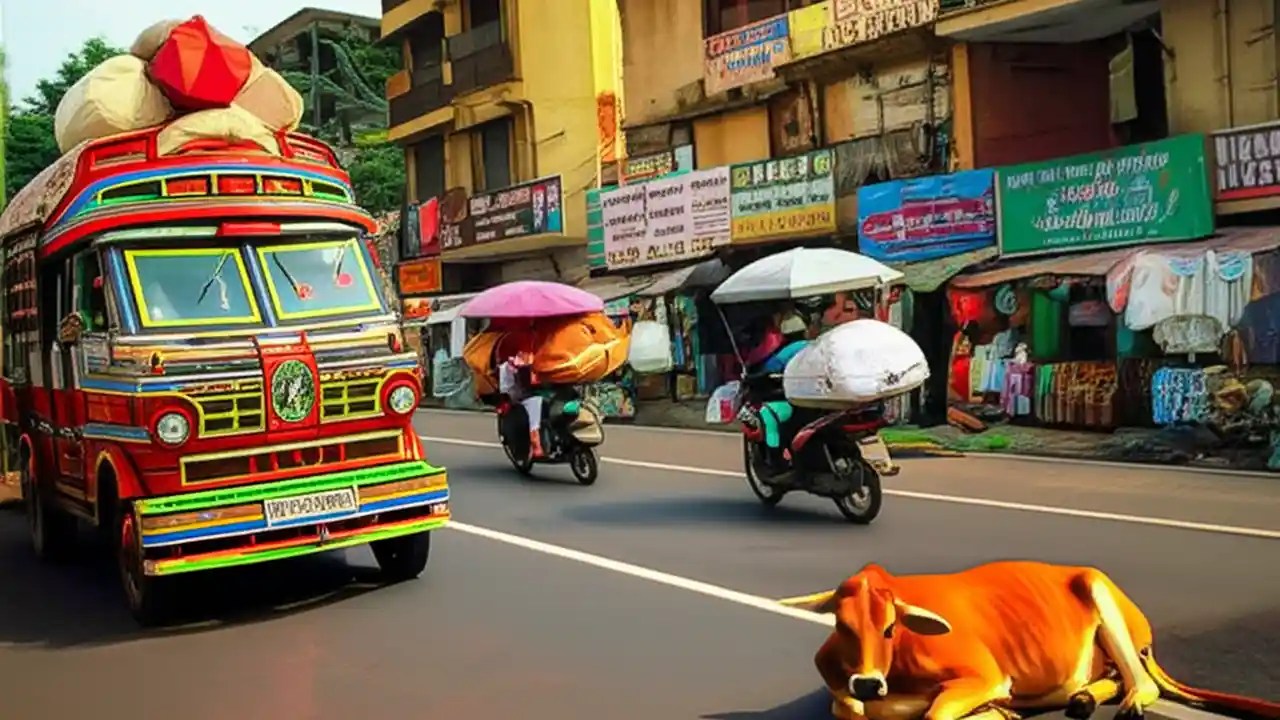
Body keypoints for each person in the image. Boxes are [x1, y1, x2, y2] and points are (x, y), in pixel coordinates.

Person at [499, 351, 545, 459]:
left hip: (542, 390)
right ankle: (535, 442)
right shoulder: (508, 365)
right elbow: (507, 389)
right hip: (522, 396)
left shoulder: (540, 356)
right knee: (535, 402)